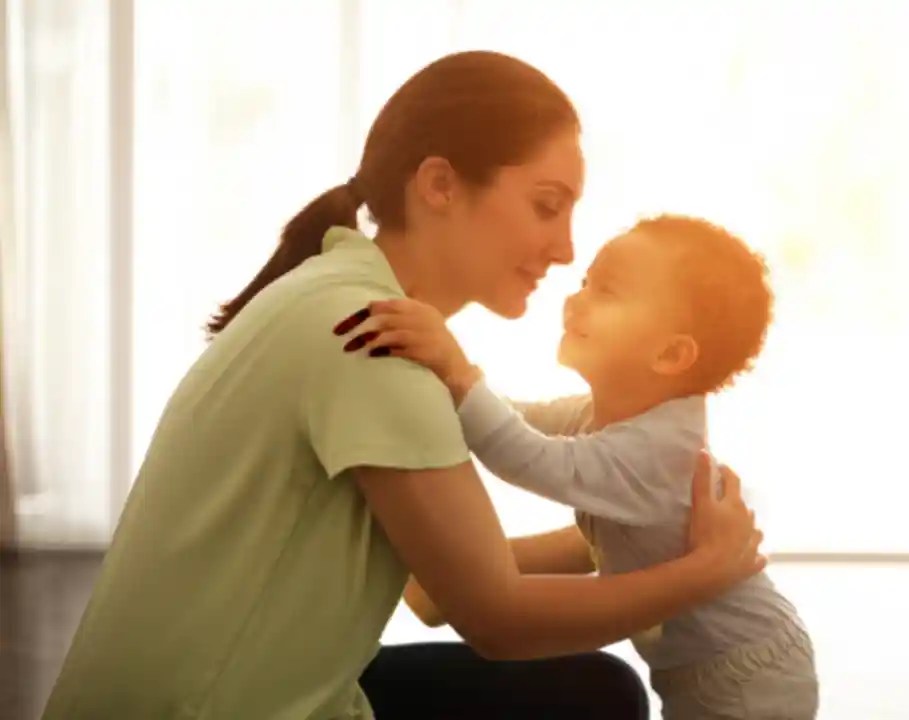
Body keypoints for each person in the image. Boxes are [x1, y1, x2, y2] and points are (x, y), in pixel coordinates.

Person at [42, 51, 764, 720]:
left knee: (593, 685)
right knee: (595, 698)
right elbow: (498, 619)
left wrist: (640, 530)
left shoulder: (342, 294)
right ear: (441, 184)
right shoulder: (370, 338)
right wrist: (706, 570)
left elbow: (433, 592)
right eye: (547, 204)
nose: (567, 247)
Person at [336, 215, 819, 719]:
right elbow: (519, 420)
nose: (575, 299)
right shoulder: (613, 413)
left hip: (745, 672)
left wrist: (457, 371)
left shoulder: (654, 452)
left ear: (671, 354)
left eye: (606, 292)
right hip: (707, 665)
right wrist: (439, 381)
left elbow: (528, 456)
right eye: (587, 282)